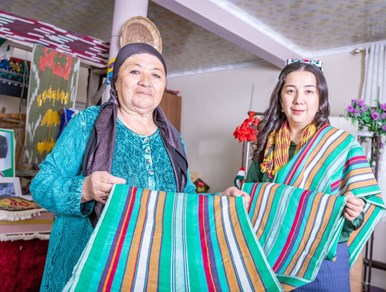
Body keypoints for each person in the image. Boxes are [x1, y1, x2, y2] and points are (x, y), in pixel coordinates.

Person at [30, 43, 247, 292]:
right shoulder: (87, 123)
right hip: (87, 267)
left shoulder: (173, 138)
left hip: (148, 271)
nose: (146, 81)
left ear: (163, 85)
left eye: (156, 74)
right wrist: (85, 189)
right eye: (135, 72)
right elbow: (42, 183)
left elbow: (183, 200)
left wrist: (220, 201)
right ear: (116, 81)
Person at [245, 59, 384, 290]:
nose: (299, 99)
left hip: (324, 258)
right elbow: (249, 197)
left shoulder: (342, 146)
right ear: (280, 99)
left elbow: (362, 208)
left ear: (320, 100)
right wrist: (239, 196)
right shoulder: (266, 147)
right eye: (291, 90)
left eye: (309, 91)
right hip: (274, 252)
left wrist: (354, 210)